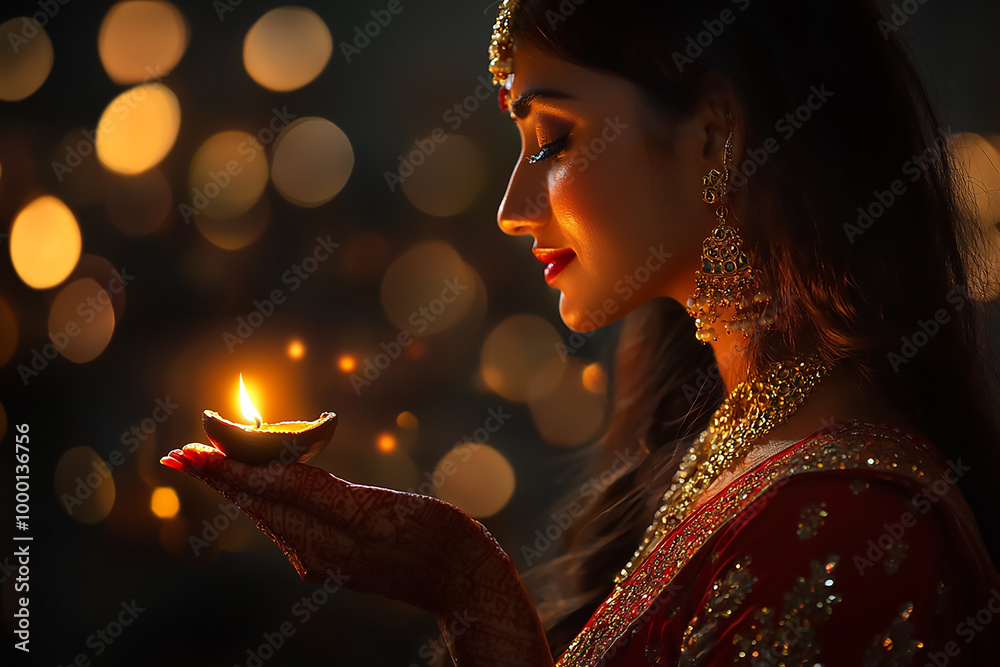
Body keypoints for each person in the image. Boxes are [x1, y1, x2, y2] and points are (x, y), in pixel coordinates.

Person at [162, 0, 1000, 664]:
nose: (512, 211)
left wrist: (466, 584)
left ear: (714, 132)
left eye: (554, 140)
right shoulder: (744, 435)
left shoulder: (850, 526)